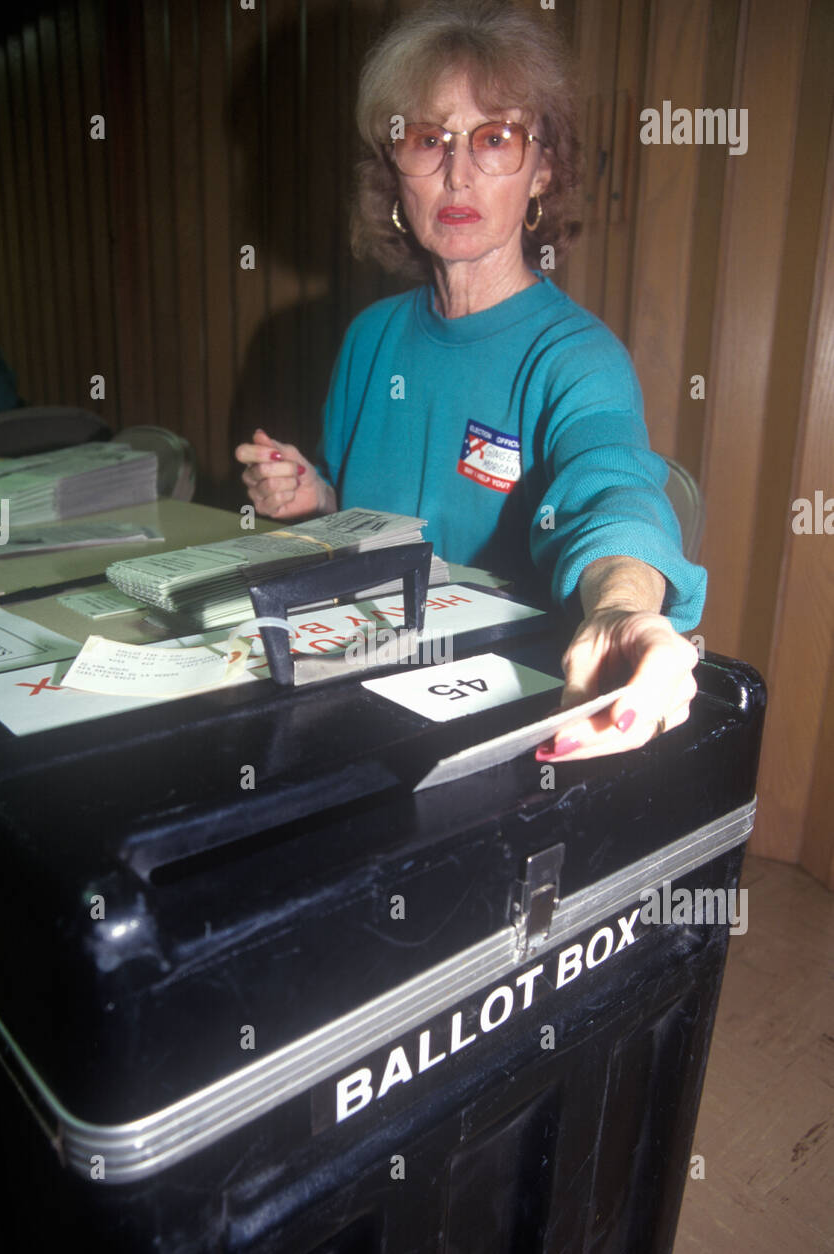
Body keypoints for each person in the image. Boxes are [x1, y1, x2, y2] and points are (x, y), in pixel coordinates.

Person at [237, 0, 703, 762]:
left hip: (499, 714)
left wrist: (622, 609)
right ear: (394, 172)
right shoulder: (369, 339)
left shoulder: (577, 357)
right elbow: (366, 512)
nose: (457, 173)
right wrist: (314, 495)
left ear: (543, 168)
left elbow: (614, 489)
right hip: (355, 687)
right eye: (428, 140)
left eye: (495, 139)